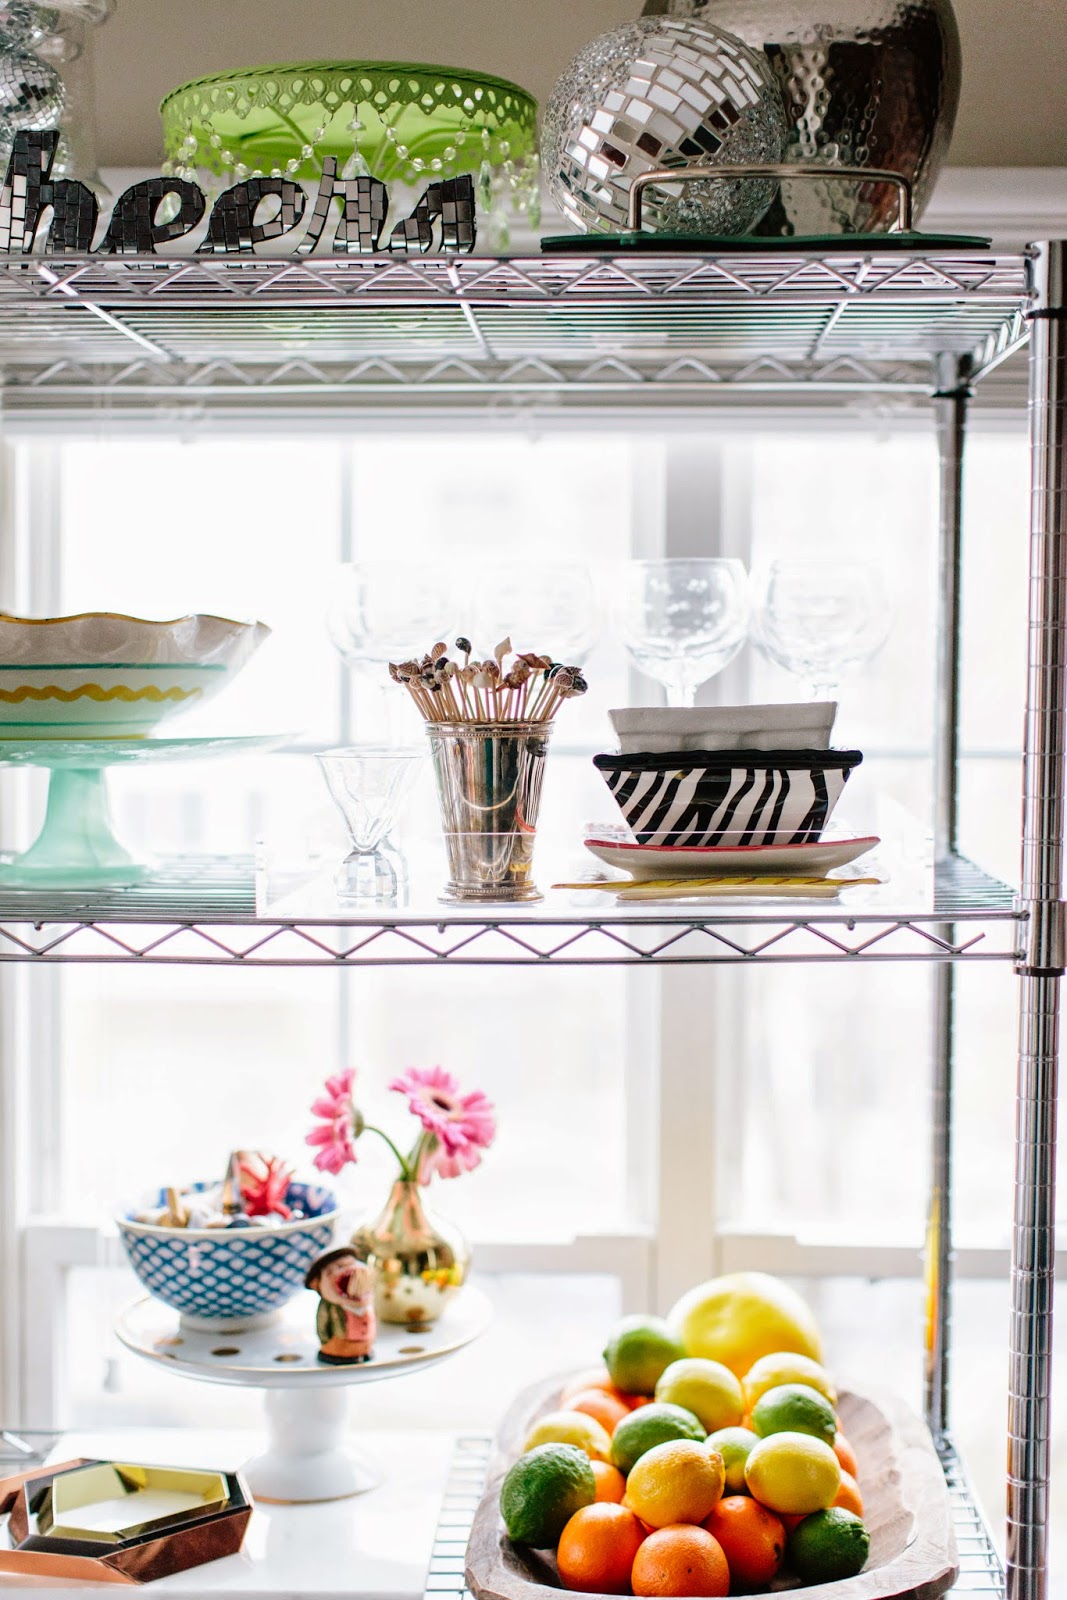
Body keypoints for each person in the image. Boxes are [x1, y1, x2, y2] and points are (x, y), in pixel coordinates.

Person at [305, 1247, 376, 1364]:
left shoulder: (365, 1302)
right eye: (339, 1267)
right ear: (317, 1284)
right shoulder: (330, 1306)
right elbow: (323, 1326)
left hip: (365, 1347)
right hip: (337, 1345)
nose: (350, 1268)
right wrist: (326, 1341)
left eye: (351, 1263)